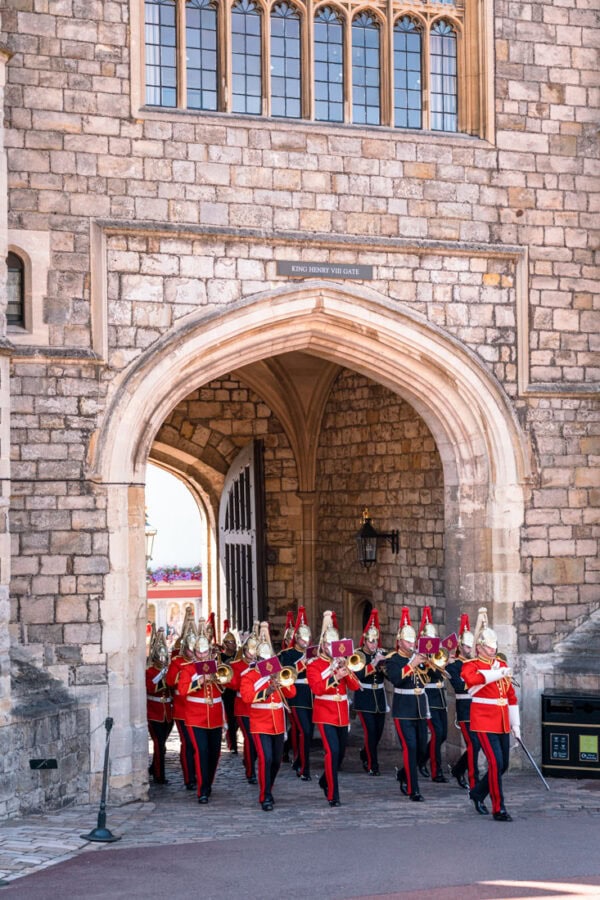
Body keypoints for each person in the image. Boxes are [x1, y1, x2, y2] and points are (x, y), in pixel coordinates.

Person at [460, 607, 520, 822]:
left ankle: (477, 794)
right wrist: (498, 673)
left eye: (493, 646)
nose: (492, 650)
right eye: (488, 647)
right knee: (494, 763)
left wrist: (516, 725)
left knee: (503, 765)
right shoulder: (471, 665)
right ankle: (499, 808)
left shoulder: (502, 665)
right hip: (484, 721)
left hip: (503, 721)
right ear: (479, 647)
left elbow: (511, 697)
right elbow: (473, 681)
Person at [307, 610, 360, 807]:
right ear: (322, 645)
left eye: (334, 644)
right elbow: (317, 688)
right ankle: (333, 794)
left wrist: (346, 670)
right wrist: (334, 676)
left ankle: (324, 780)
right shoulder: (314, 665)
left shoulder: (341, 661)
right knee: (332, 751)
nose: (331, 648)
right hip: (325, 713)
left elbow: (355, 686)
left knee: (340, 753)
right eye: (328, 644)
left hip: (341, 714)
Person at [240, 623, 296, 811]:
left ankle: (268, 788)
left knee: (277, 761)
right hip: (260, 722)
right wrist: (266, 687)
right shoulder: (249, 676)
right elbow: (247, 697)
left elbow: (292, 693)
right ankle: (265, 796)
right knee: (266, 758)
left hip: (278, 723)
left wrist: (279, 679)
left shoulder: (277, 672)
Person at [385, 607, 429, 802]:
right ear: (400, 642)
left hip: (420, 709)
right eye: (408, 641)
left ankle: (404, 774)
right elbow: (396, 679)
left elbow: (431, 678)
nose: (411, 644)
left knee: (421, 749)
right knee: (410, 748)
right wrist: (412, 664)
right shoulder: (394, 660)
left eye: (413, 641)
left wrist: (433, 664)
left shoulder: (420, 658)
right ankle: (414, 789)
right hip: (403, 710)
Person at [178, 628, 224, 804]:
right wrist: (200, 681)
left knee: (215, 753)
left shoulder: (216, 666)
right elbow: (182, 690)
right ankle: (202, 790)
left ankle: (208, 782)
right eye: (199, 652)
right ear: (195, 652)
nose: (203, 655)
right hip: (196, 718)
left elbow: (227, 685)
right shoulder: (188, 669)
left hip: (215, 717)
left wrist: (218, 678)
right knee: (202, 751)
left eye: (205, 652)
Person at [446, 613, 480, 791]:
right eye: (466, 646)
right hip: (465, 710)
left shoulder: (476, 663)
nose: (469, 650)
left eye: (471, 646)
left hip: (479, 709)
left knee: (478, 744)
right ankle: (474, 779)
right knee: (472, 744)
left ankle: (459, 770)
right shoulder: (453, 665)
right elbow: (460, 687)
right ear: (460, 646)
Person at [279, 606, 313, 780]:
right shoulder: (288, 654)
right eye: (303, 638)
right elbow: (287, 673)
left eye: (308, 637)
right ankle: (303, 767)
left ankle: (301, 761)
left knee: (308, 732)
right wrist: (303, 662)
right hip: (297, 694)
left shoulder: (315, 651)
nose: (306, 641)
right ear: (297, 638)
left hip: (313, 695)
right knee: (304, 731)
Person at [165, 613, 198, 790]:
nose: (194, 652)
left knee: (199, 745)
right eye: (191, 649)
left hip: (198, 707)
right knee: (187, 743)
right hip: (182, 707)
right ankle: (188, 777)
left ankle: (199, 774)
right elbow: (170, 681)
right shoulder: (177, 662)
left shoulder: (202, 661)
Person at [353, 609, 387, 776]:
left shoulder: (381, 654)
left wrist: (384, 664)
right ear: (365, 640)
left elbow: (389, 675)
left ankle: (365, 753)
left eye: (375, 642)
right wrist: (373, 663)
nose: (373, 645)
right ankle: (373, 765)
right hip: (364, 698)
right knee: (370, 731)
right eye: (371, 642)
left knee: (378, 732)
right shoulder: (357, 655)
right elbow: (357, 676)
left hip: (379, 698)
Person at [417, 607, 449, 783]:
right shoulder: (421, 659)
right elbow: (429, 676)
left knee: (443, 735)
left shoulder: (437, 655)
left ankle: (422, 760)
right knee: (437, 734)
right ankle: (436, 771)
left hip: (440, 698)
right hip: (428, 697)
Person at [229, 624, 260, 785]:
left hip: (258, 706)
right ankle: (250, 771)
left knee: (256, 740)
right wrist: (246, 673)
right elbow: (233, 684)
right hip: (242, 705)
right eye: (250, 651)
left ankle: (250, 761)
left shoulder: (262, 664)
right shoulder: (236, 665)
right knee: (249, 738)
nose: (253, 655)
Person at [146, 626, 174, 784]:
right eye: (160, 655)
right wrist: (162, 677)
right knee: (158, 744)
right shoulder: (149, 671)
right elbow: (151, 688)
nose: (162, 658)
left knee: (162, 745)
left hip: (167, 713)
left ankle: (154, 767)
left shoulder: (168, 670)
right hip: (155, 711)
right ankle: (159, 775)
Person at [220, 621, 239, 754]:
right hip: (226, 690)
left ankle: (232, 739)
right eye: (231, 642)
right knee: (231, 719)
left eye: (234, 642)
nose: (234, 644)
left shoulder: (239, 655)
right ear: (225, 644)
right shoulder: (220, 656)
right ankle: (233, 745)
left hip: (237, 689)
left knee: (238, 719)